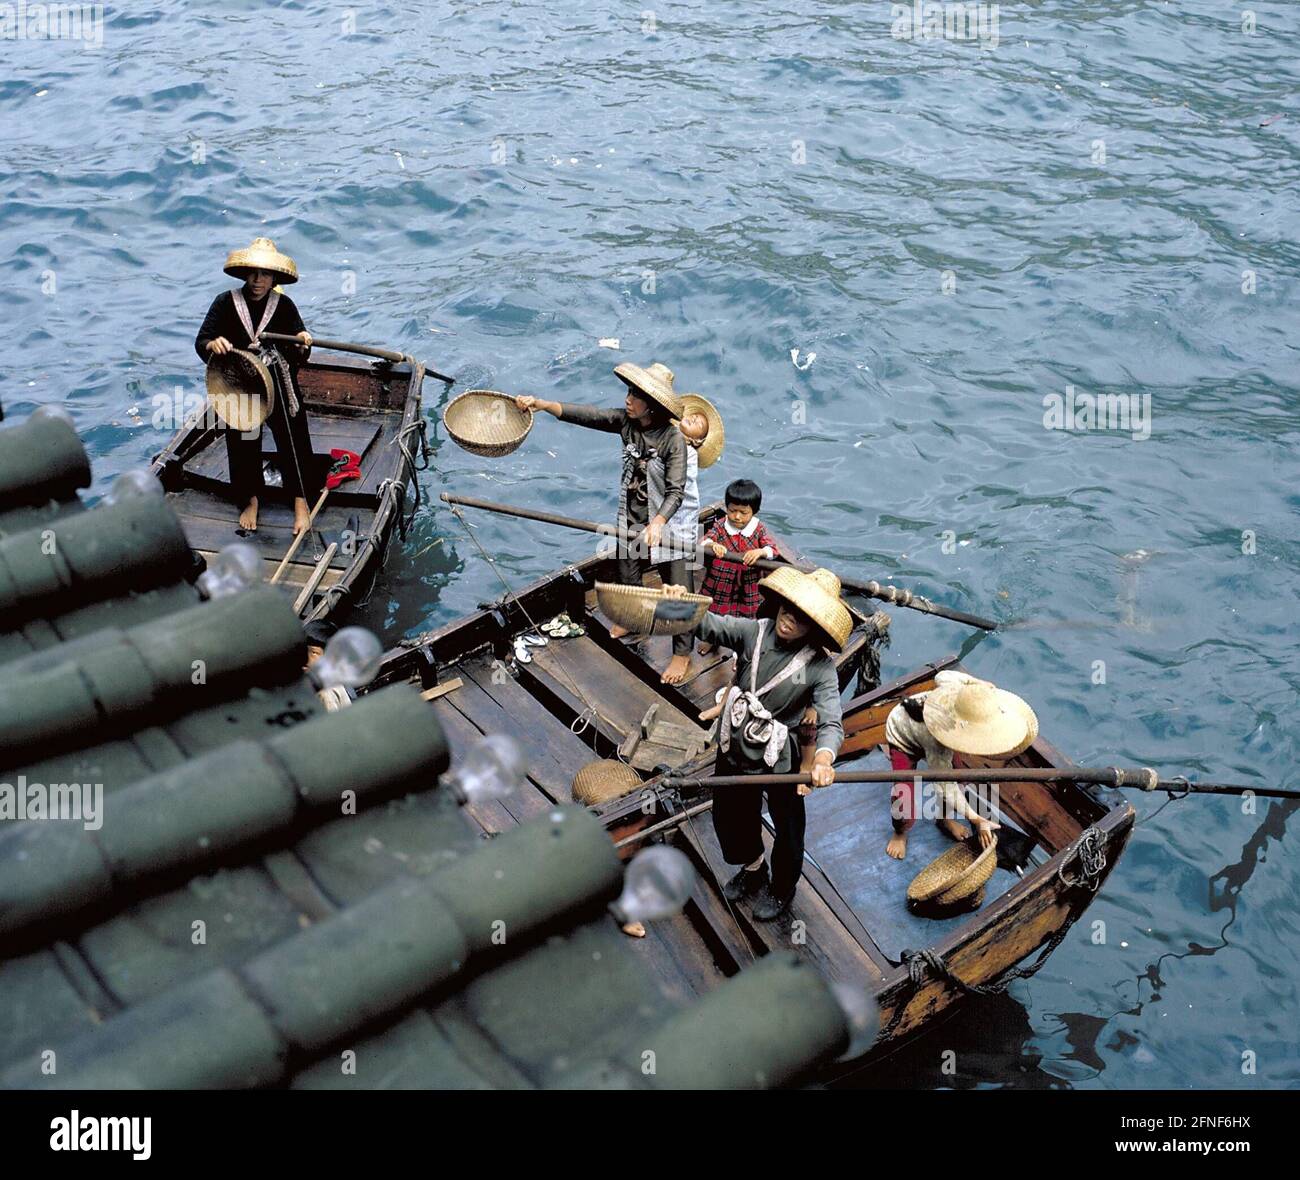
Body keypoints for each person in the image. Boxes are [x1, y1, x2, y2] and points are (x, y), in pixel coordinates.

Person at [664, 565, 850, 921]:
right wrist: (679, 607)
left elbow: (830, 720)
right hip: (736, 738)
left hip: (781, 753)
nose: (789, 619)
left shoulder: (820, 669)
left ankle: (781, 889)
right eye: (788, 608)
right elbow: (711, 625)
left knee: (789, 828)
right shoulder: (754, 631)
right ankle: (752, 869)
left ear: (816, 628)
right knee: (728, 813)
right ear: (780, 602)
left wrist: (824, 759)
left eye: (802, 618)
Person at [515, 362, 695, 684]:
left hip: (669, 521)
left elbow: (676, 490)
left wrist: (657, 523)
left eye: (634, 395)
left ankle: (681, 653)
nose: (627, 400)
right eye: (627, 392)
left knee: (677, 588)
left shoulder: (672, 440)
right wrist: (542, 405)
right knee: (628, 571)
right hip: (632, 513)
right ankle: (635, 619)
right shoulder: (626, 422)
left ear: (651, 405)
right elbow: (587, 415)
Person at [195, 237, 319, 535]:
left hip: (277, 383)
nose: (257, 280)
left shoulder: (284, 305)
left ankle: (301, 502)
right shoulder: (225, 302)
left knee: (293, 436)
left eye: (264, 274)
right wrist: (214, 343)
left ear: (275, 277)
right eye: (252, 273)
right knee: (242, 440)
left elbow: (300, 349)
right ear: (243, 274)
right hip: (240, 385)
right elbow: (202, 341)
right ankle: (250, 499)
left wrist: (303, 341)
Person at [883, 670, 1038, 860]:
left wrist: (976, 684)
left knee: (960, 777)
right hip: (903, 735)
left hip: (940, 732)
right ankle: (900, 833)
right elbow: (944, 786)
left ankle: (944, 819)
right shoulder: (938, 744)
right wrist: (976, 818)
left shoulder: (959, 690)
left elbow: (943, 675)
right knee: (903, 796)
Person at [698, 479, 781, 655]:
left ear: (754, 511)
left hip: (747, 585)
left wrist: (760, 552)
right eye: (732, 511)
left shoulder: (758, 529)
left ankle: (740, 651)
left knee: (746, 619)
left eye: (743, 513)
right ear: (727, 508)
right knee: (715, 612)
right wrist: (713, 545)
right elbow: (705, 540)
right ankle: (713, 639)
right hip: (720, 581)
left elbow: (772, 550)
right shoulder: (721, 525)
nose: (737, 517)